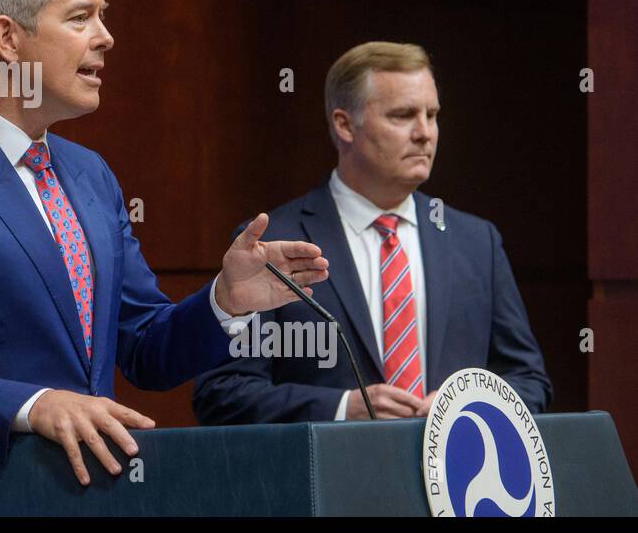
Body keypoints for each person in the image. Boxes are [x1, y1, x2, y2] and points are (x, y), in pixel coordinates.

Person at [0, 0, 330, 515]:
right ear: (7, 38)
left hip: (94, 501)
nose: (106, 37)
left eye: (103, 17)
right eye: (81, 18)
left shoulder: (89, 174)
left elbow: (146, 349)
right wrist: (37, 404)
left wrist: (224, 302)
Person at [191, 41, 552, 425]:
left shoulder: (477, 243)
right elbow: (224, 394)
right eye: (403, 116)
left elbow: (529, 381)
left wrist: (470, 407)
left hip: (452, 478)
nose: (425, 133)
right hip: (329, 478)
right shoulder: (273, 242)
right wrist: (344, 408)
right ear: (345, 125)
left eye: (432, 115)